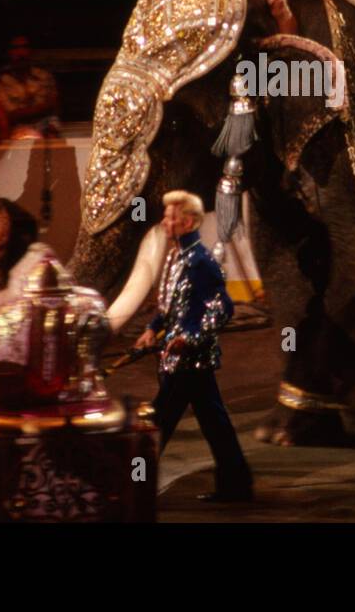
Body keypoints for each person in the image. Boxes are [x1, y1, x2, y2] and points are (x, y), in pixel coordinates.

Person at [109, 191, 253, 503]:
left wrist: (190, 338)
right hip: (176, 358)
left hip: (189, 360)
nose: (165, 222)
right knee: (214, 422)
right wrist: (152, 329)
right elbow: (170, 306)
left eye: (171, 217)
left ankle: (134, 486)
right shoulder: (177, 258)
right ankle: (236, 484)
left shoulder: (202, 263)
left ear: (188, 223)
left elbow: (222, 309)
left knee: (159, 420)